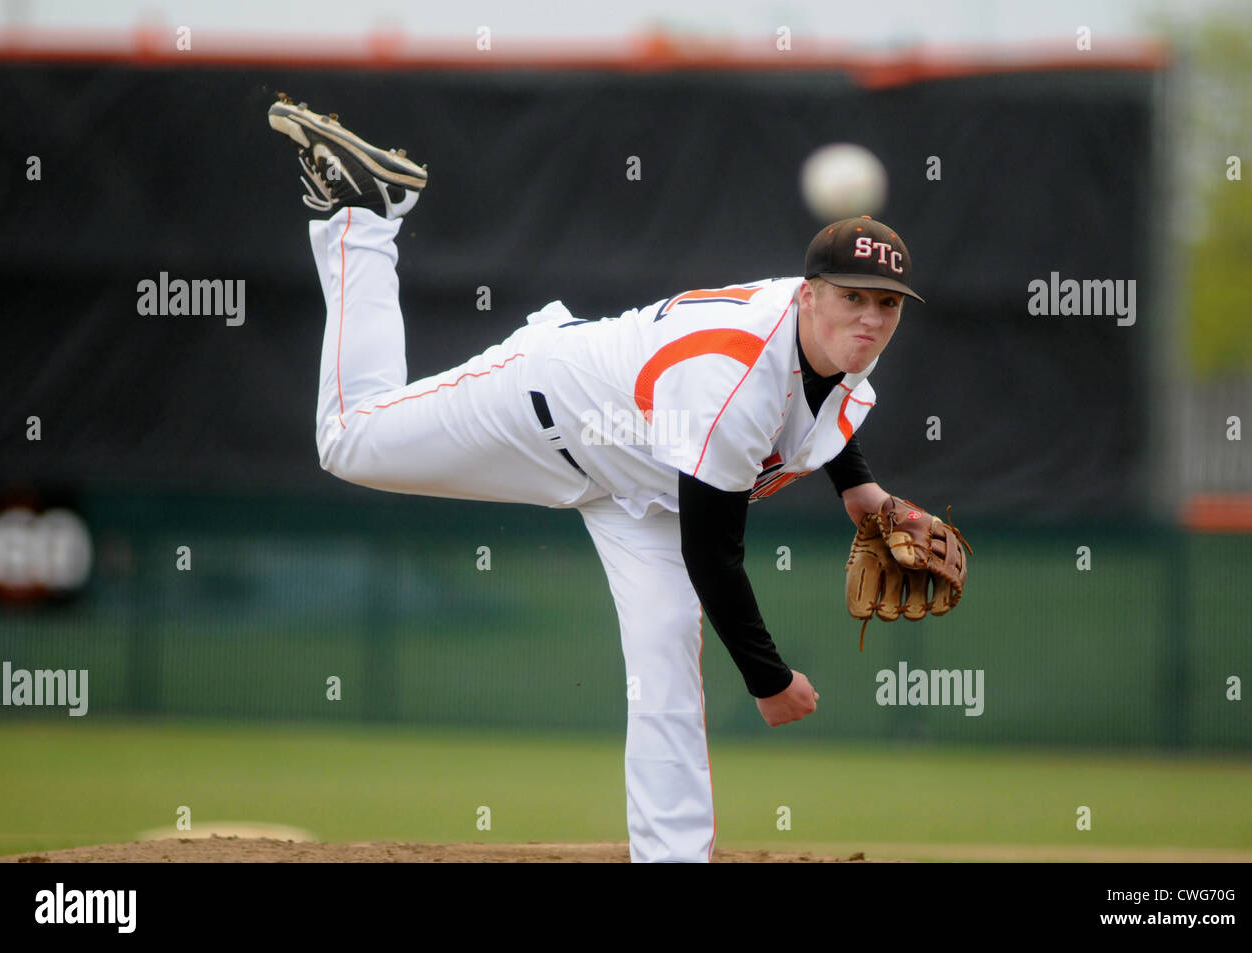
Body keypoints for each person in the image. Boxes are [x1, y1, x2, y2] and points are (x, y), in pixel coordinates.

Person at [269, 95, 924, 863]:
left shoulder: (834, 340)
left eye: (886, 304)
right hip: (544, 407)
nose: (871, 320)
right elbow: (713, 554)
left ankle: (672, 856)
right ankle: (363, 216)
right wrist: (768, 677)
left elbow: (820, 406)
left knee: (667, 644)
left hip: (640, 483)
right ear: (809, 294)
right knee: (349, 441)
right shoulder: (735, 375)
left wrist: (864, 492)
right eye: (854, 298)